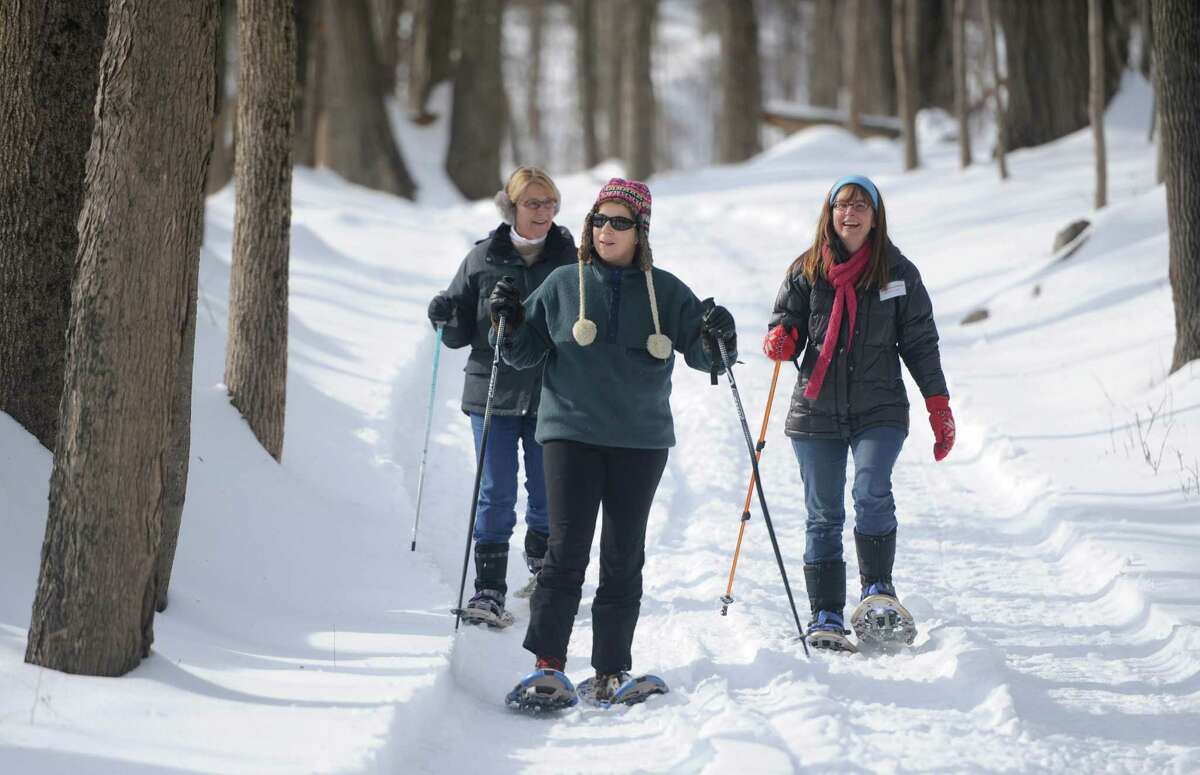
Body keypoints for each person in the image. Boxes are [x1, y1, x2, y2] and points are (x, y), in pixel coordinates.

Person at [488, 178, 737, 702]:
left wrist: (721, 337)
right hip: (569, 434)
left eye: (619, 222)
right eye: (599, 219)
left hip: (640, 441)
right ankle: (549, 665)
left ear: (640, 230)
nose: (606, 230)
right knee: (566, 551)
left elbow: (707, 357)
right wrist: (508, 321)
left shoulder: (666, 291)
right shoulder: (561, 283)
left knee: (624, 555)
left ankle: (609, 672)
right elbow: (520, 353)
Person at [762, 174, 954, 652]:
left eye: (860, 205)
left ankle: (877, 591)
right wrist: (781, 340)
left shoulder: (898, 272)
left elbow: (920, 343)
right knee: (822, 513)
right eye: (842, 205)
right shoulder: (805, 271)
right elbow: (784, 327)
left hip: (879, 406)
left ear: (876, 214)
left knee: (871, 490)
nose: (850, 213)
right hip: (816, 410)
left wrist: (938, 404)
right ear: (828, 214)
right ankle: (826, 611)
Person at [427, 166, 577, 627]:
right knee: (495, 492)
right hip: (490, 391)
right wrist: (445, 316)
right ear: (511, 208)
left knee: (547, 492)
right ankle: (488, 590)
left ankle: (541, 571)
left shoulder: (570, 258)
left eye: (550, 204)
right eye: (533, 204)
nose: (543, 213)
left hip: (549, 391)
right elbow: (456, 333)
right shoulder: (481, 259)